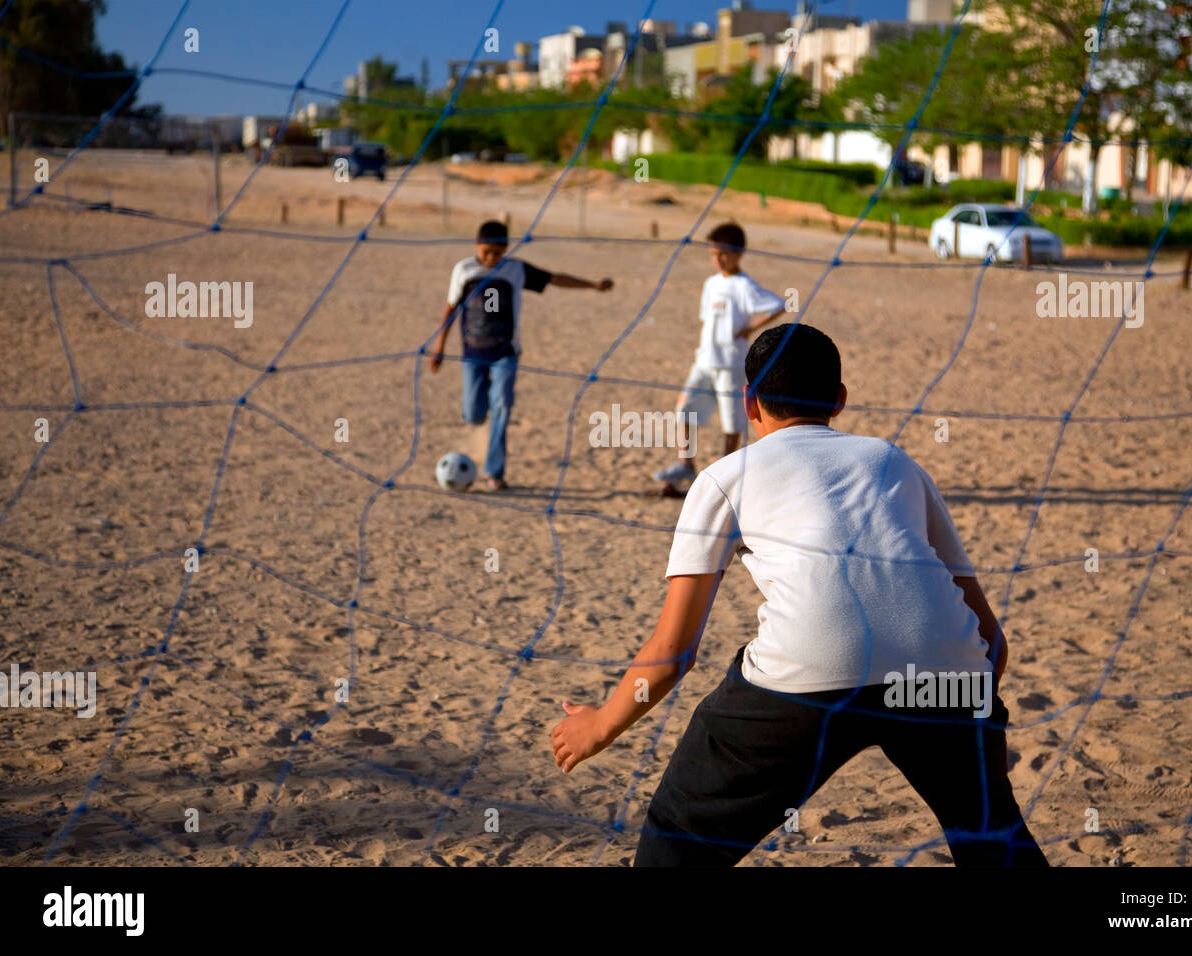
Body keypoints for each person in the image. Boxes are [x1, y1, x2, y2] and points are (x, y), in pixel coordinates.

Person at [551, 323, 1048, 867]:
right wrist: (965, 727)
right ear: (838, 402)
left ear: (749, 402)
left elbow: (675, 653)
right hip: (944, 676)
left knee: (678, 838)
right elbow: (991, 642)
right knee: (996, 845)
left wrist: (599, 725)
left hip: (804, 678)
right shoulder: (893, 462)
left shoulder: (724, 476)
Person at [430, 220, 613, 490]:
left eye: (499, 252)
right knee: (474, 415)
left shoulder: (515, 270)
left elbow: (554, 278)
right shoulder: (464, 270)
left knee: (502, 405)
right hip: (473, 353)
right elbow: (450, 309)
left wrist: (593, 285)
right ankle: (480, 416)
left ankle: (495, 472)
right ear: (476, 246)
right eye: (487, 252)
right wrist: (439, 347)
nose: (492, 258)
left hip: (507, 352)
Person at [651, 222, 786, 495]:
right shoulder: (710, 283)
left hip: (730, 364)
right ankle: (686, 465)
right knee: (685, 410)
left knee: (731, 422)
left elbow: (777, 304)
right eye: (713, 253)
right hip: (704, 361)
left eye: (722, 253)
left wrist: (751, 327)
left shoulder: (744, 285)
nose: (717, 259)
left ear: (737, 253)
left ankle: (726, 477)